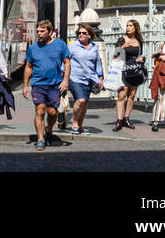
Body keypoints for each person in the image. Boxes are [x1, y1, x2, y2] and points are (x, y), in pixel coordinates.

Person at [22, 19, 71, 152]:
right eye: (38, 31)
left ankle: (49, 129)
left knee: (52, 112)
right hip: (38, 84)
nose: (39, 33)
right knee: (40, 110)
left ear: (50, 32)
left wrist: (65, 80)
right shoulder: (33, 48)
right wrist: (25, 85)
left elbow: (66, 62)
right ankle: (40, 139)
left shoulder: (60, 45)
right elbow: (28, 66)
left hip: (55, 84)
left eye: (42, 31)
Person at [67, 24, 104, 135]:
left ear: (89, 35)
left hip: (90, 78)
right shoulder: (72, 46)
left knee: (85, 102)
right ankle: (74, 123)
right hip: (75, 77)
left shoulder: (94, 47)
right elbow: (65, 61)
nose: (81, 35)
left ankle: (80, 125)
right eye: (79, 33)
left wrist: (100, 78)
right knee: (80, 100)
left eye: (84, 33)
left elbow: (98, 63)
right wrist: (63, 76)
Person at [112, 19, 145, 132]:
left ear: (135, 28)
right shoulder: (122, 40)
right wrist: (122, 47)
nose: (128, 27)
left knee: (131, 95)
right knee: (122, 95)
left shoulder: (139, 41)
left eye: (131, 25)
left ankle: (127, 119)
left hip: (134, 70)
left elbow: (140, 55)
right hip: (123, 69)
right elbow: (115, 56)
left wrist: (140, 59)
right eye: (127, 25)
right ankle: (119, 121)